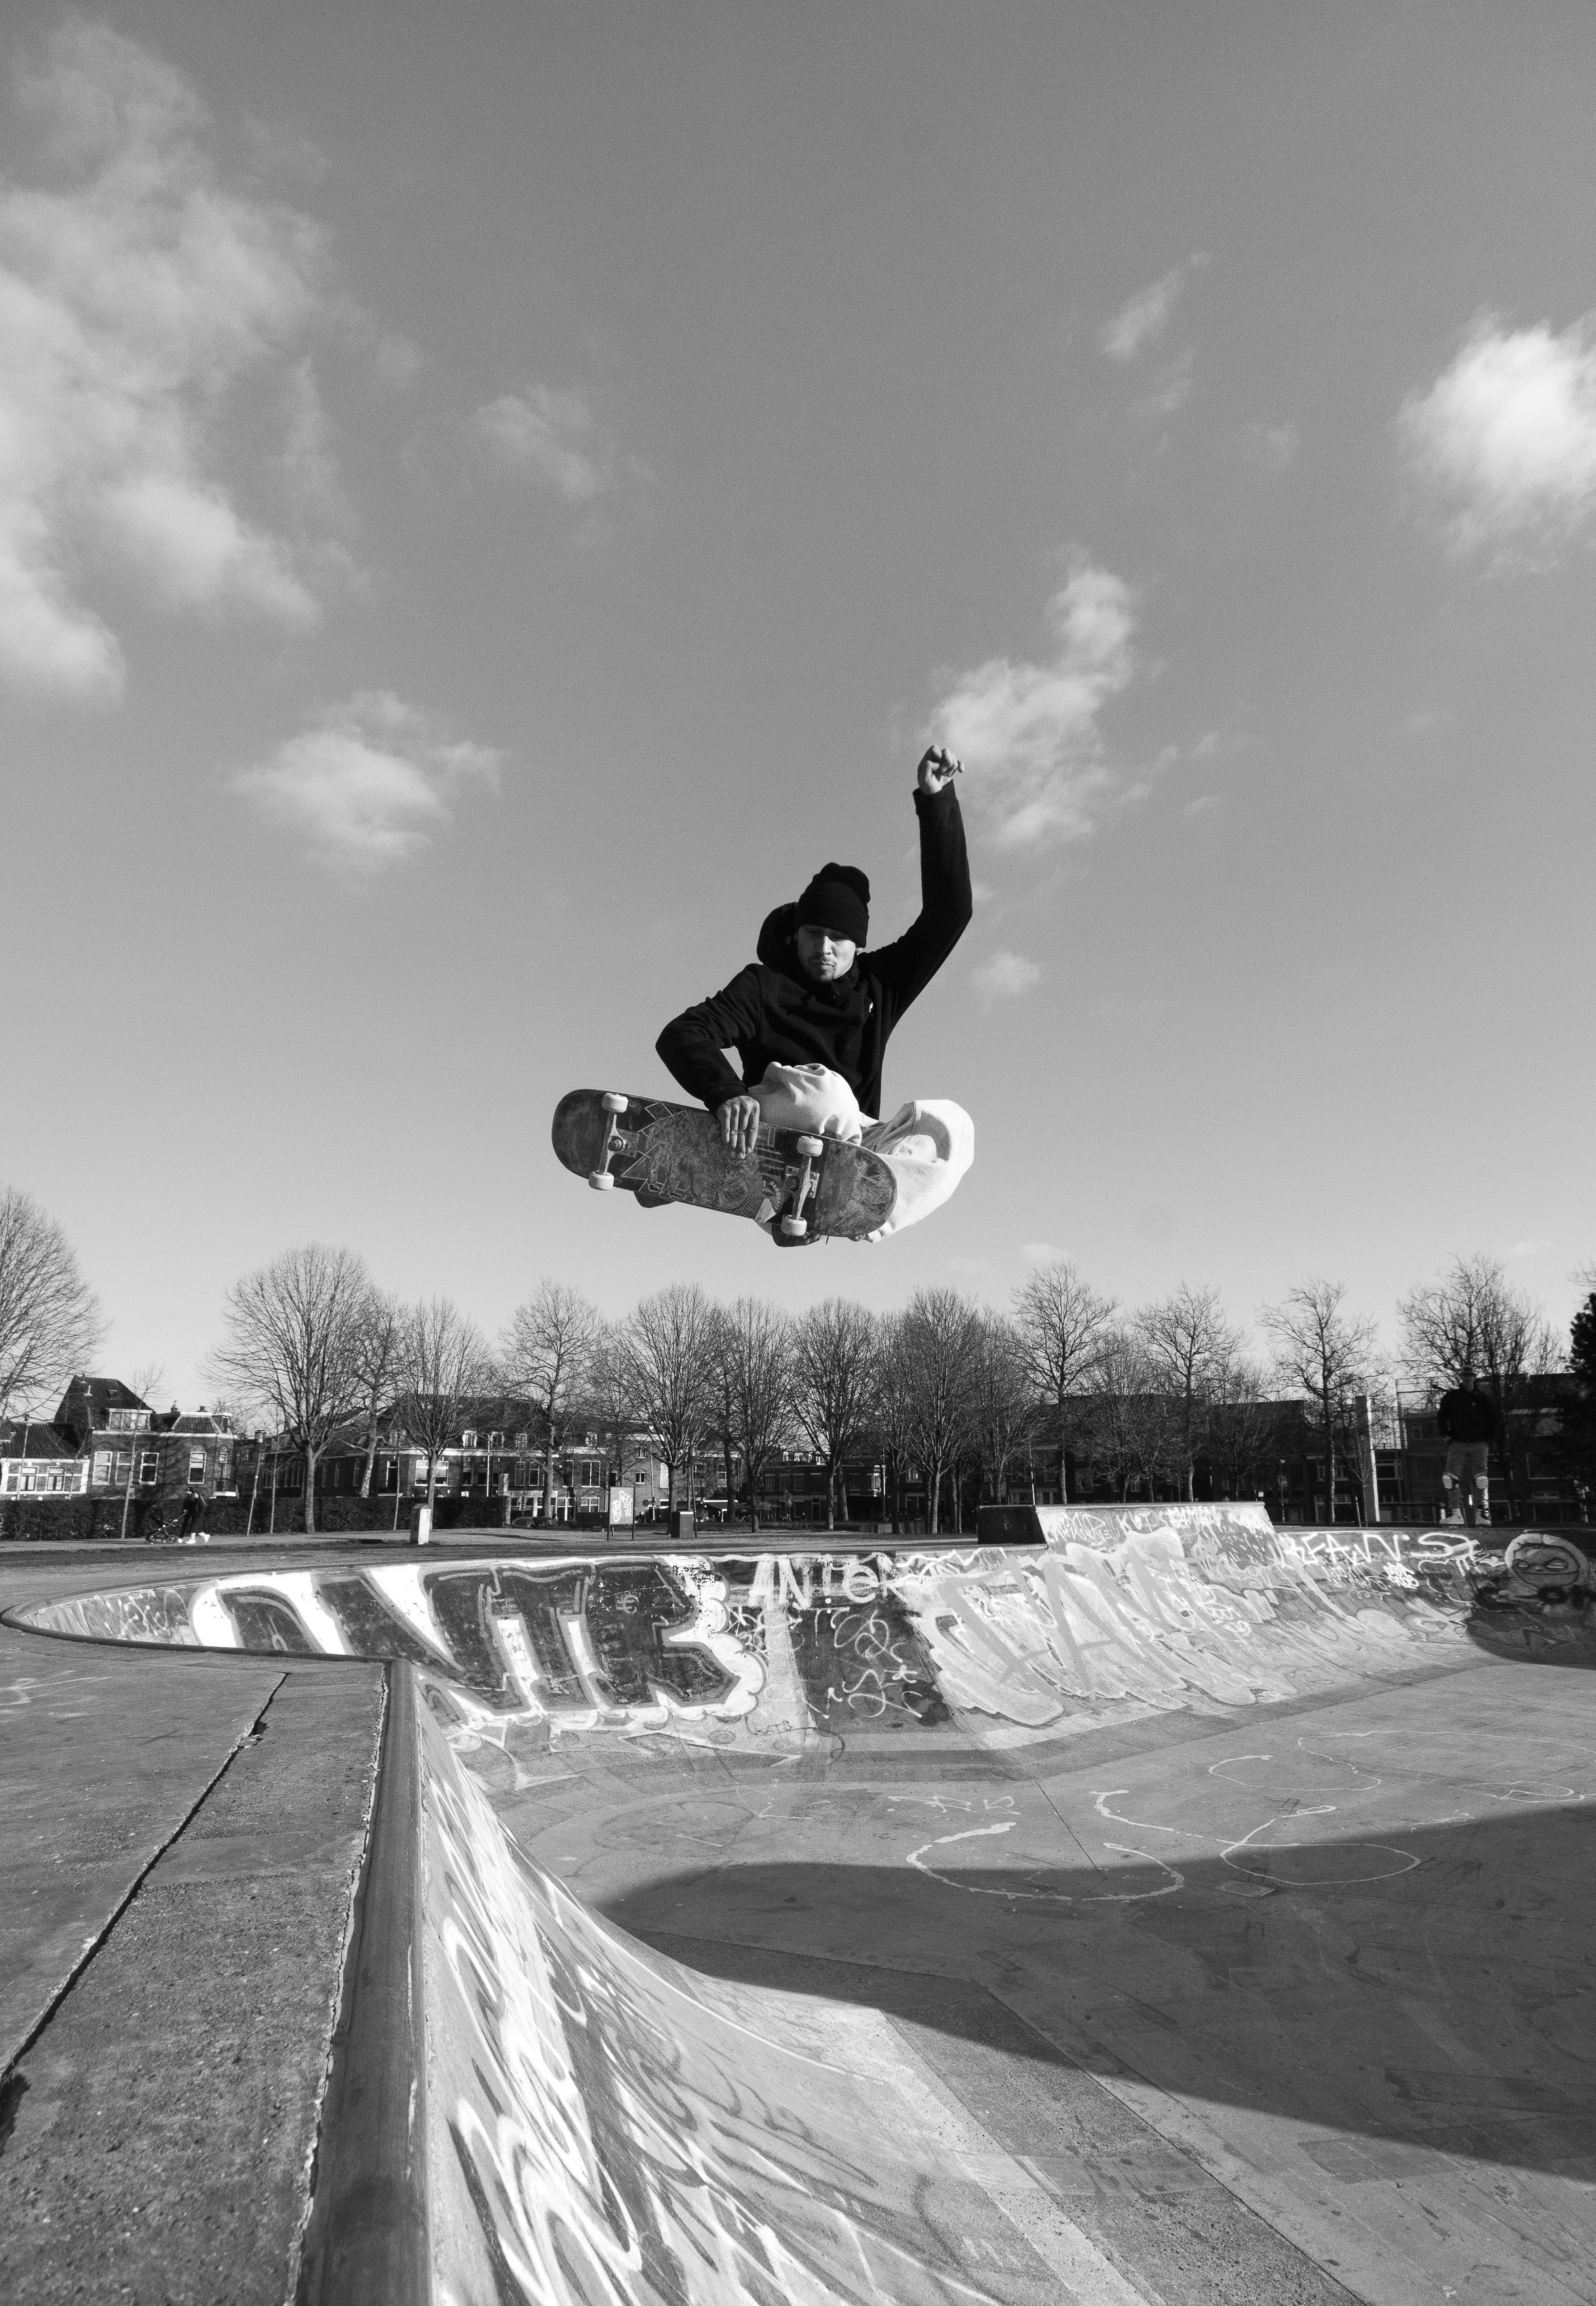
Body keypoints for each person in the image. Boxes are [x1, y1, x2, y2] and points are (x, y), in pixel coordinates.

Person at [656, 746, 974, 1240]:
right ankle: (754, 1172)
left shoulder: (879, 984)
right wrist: (724, 1094)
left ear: (857, 943)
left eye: (838, 939)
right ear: (795, 934)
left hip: (851, 1143)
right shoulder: (762, 985)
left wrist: (936, 800)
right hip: (773, 1126)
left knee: (952, 1127)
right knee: (825, 1093)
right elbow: (683, 1033)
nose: (824, 949)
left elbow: (949, 914)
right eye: (812, 936)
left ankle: (855, 1206)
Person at [1435, 1365, 1496, 1526]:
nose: (1468, 1378)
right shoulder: (1452, 1397)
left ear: (1475, 1377)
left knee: (1481, 1478)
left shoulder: (1484, 1399)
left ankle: (1482, 1513)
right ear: (1461, 1377)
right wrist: (1446, 1436)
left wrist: (1489, 1439)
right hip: (1458, 1442)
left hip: (1479, 1442)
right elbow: (1441, 1417)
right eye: (1465, 1375)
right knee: (1450, 1478)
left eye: (1471, 1375)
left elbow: (1495, 1420)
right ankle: (1455, 1512)